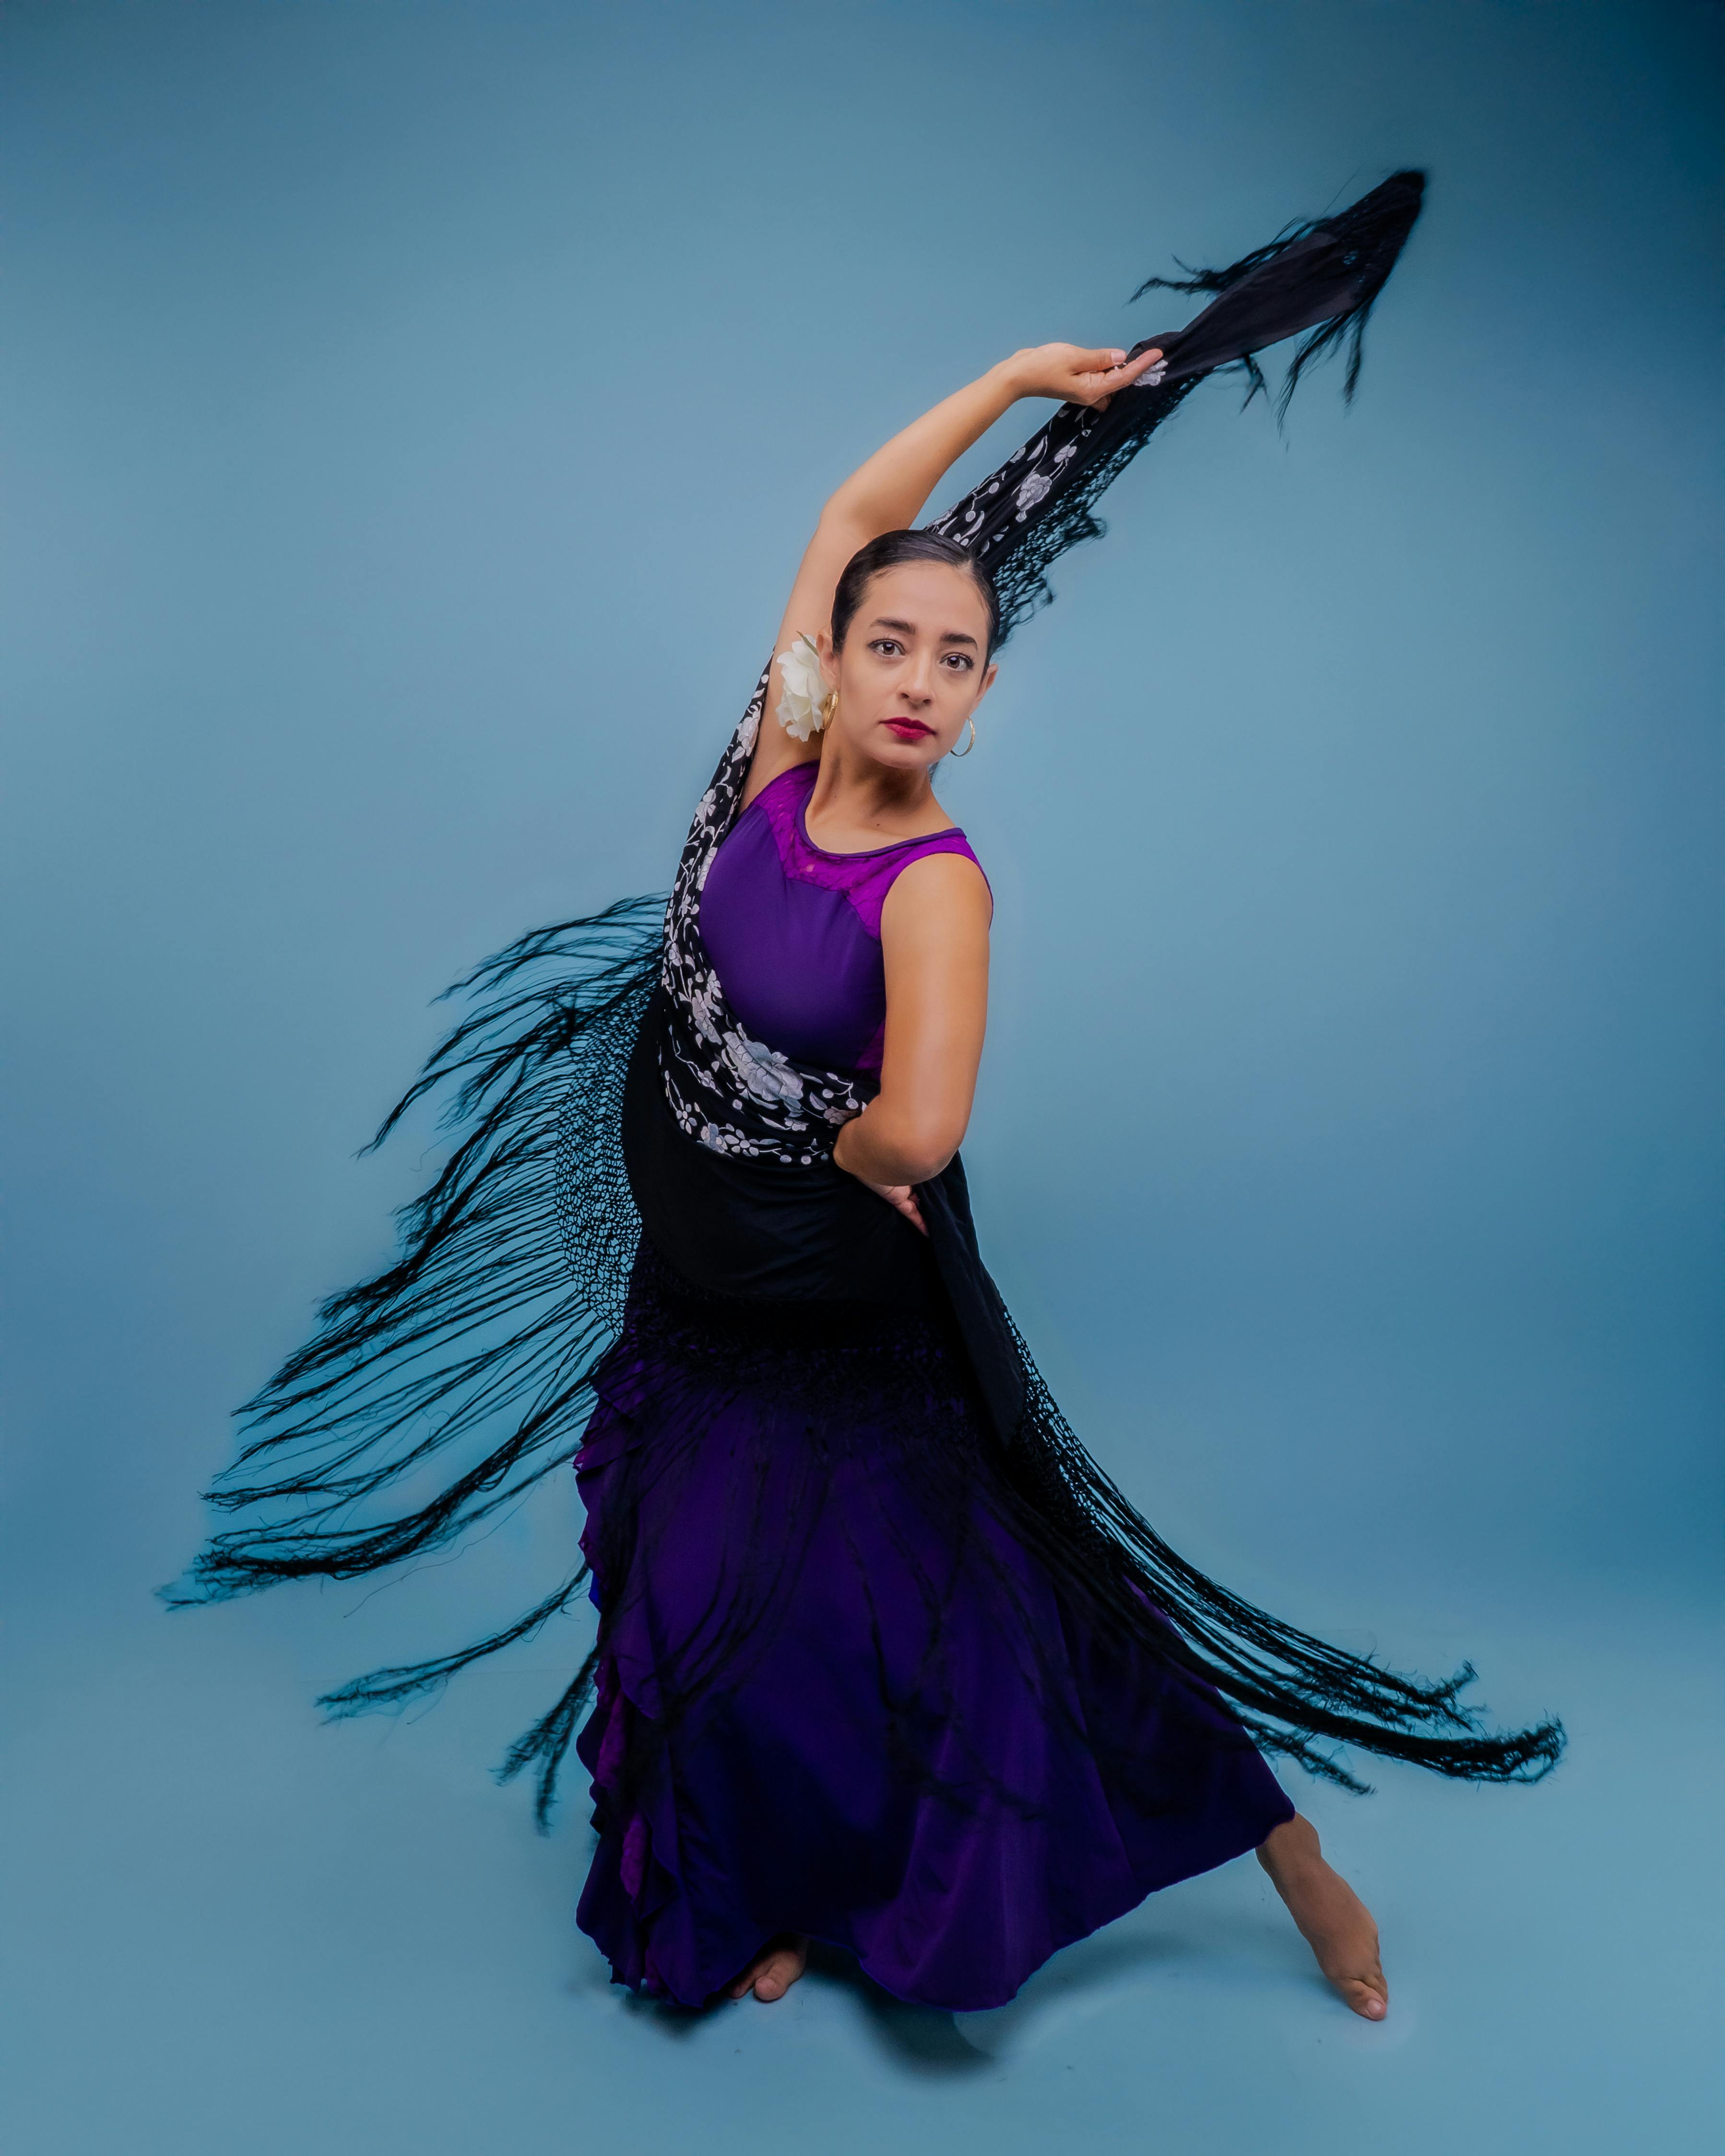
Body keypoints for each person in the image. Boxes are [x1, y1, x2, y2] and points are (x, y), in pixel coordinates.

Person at [172, 171, 1561, 2026]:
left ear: (984, 703)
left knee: (990, 1600)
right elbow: (853, 516)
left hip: (836, 1306)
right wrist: (1009, 377)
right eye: (889, 644)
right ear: (840, 664)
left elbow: (917, 1132)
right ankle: (772, 1885)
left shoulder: (939, 886)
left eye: (956, 661)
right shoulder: (763, 766)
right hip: (695, 1293)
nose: (916, 680)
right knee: (712, 1609)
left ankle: (1300, 1874)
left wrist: (820, 1145)